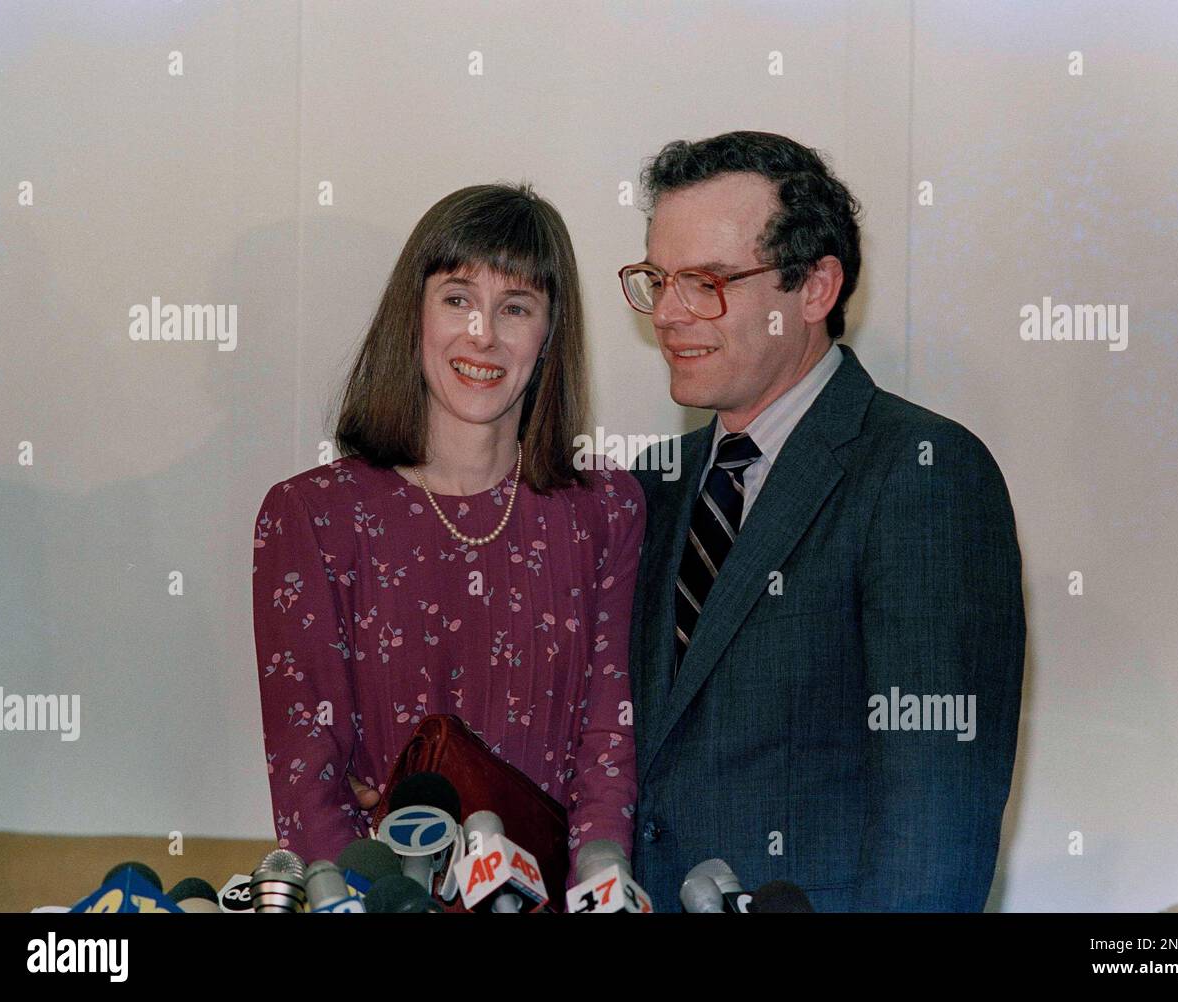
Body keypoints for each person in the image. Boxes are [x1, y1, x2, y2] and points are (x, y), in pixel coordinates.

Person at [620, 131, 1026, 911]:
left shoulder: (921, 473)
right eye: (658, 279)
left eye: (705, 281)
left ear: (814, 289)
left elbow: (935, 828)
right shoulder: (651, 488)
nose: (669, 313)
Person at [252, 183, 643, 876]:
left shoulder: (606, 511)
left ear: (549, 335)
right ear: (415, 315)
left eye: (515, 307)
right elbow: (308, 792)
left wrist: (598, 883)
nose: (482, 334)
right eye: (457, 298)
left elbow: (607, 751)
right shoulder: (313, 517)